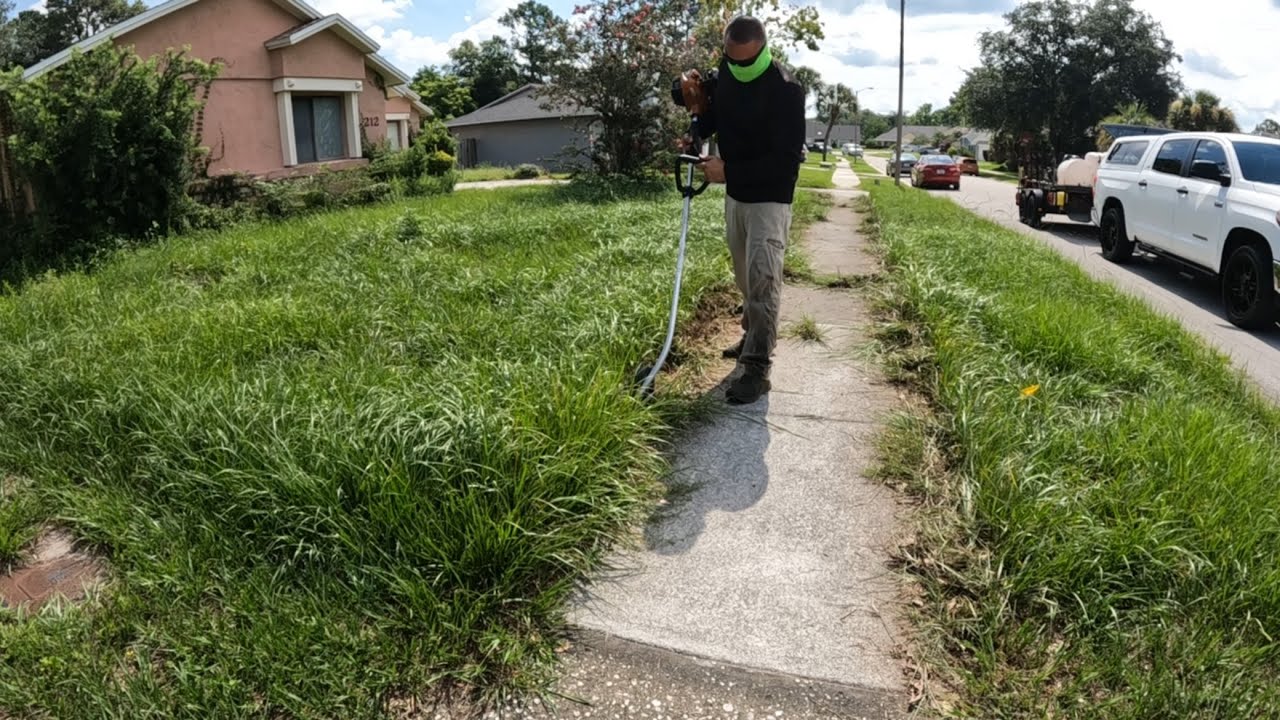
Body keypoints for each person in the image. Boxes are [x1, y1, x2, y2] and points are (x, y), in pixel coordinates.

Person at [684, 16, 805, 405]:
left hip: (769, 198)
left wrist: (728, 172)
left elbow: (785, 162)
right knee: (744, 277)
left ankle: (757, 367)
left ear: (763, 49)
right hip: (736, 196)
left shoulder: (786, 90)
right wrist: (696, 113)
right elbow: (714, 119)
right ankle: (751, 336)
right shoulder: (726, 74)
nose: (738, 68)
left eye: (746, 62)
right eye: (730, 60)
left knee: (763, 280)